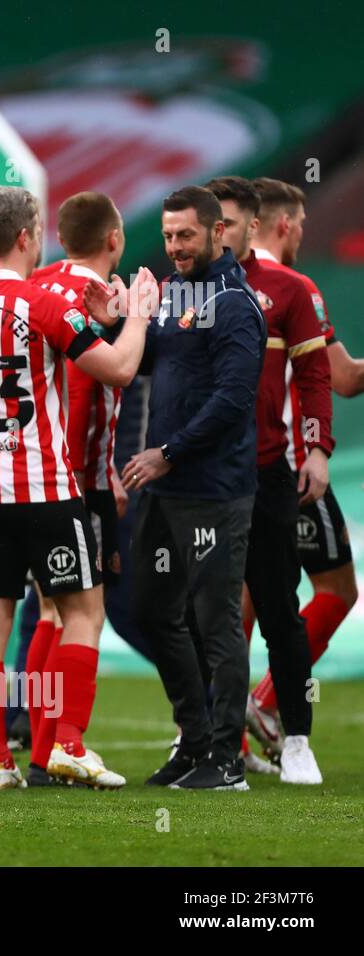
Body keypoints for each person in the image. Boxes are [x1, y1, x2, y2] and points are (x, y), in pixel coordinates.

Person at [0, 185, 151, 791]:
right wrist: (138, 316)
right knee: (83, 612)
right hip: (44, 489)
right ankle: (67, 743)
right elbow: (119, 369)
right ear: (26, 237)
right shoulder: (41, 303)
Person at [95, 185, 265, 791]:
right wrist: (119, 317)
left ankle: (227, 760)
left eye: (185, 236)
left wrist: (168, 453)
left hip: (213, 489)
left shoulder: (236, 303)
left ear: (219, 233)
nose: (175, 247)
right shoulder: (174, 296)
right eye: (168, 236)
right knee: (150, 610)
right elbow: (150, 365)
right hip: (164, 490)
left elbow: (233, 398)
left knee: (215, 620)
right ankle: (195, 743)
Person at [202, 175, 328, 785]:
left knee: (279, 608)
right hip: (197, 481)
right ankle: (205, 739)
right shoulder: (181, 291)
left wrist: (318, 450)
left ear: (253, 227)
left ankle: (298, 740)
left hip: (267, 475)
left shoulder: (289, 289)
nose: (215, 233)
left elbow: (316, 378)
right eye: (209, 222)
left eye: (224, 222)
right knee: (203, 612)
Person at [246, 177, 357, 754]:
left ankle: (220, 735)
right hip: (291, 469)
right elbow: (342, 378)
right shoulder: (295, 288)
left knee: (237, 594)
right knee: (335, 590)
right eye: (303, 224)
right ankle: (262, 703)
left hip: (228, 469)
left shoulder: (213, 283)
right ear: (284, 224)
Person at [27, 190, 128, 785]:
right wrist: (94, 475)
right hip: (73, 480)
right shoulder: (97, 300)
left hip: (17, 476)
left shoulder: (34, 282)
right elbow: (86, 390)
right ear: (114, 240)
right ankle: (61, 745)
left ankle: (37, 753)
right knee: (80, 610)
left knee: (48, 610)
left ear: (60, 238)